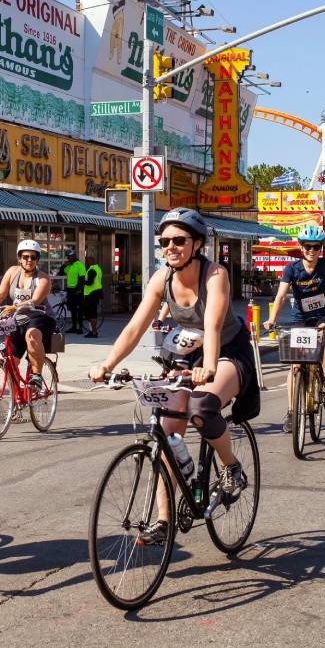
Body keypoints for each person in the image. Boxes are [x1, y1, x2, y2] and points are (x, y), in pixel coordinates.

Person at [90, 208, 257, 545]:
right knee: (166, 436)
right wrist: (107, 364)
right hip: (187, 354)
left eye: (179, 240)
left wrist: (209, 368)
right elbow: (135, 327)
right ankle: (164, 522)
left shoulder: (215, 274)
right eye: (164, 241)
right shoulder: (162, 278)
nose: (170, 247)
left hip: (227, 351)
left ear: (197, 244)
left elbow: (212, 325)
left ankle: (231, 467)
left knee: (202, 407)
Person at [263, 224, 325, 396]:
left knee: (324, 336)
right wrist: (272, 319)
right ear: (301, 247)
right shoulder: (292, 269)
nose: (312, 250)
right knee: (295, 366)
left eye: (316, 247)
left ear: (321, 248)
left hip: (323, 315)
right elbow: (280, 296)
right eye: (308, 246)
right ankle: (291, 409)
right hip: (300, 317)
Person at [0, 239, 56, 391]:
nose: (29, 260)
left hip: (40, 317)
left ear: (37, 259)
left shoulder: (43, 278)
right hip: (18, 319)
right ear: (19, 258)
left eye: (33, 257)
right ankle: (17, 399)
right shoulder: (12, 272)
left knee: (32, 334)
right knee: (10, 360)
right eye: (25, 257)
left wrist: (14, 306)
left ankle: (36, 376)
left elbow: (35, 300)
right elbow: (1, 294)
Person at [61, 249, 87, 334]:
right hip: (70, 291)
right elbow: (61, 273)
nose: (68, 259)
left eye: (70, 257)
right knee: (72, 309)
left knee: (79, 310)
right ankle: (74, 327)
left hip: (77, 291)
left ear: (74, 256)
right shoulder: (69, 266)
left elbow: (82, 278)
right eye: (68, 257)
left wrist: (79, 289)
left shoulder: (80, 265)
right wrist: (64, 265)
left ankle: (80, 328)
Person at [82, 254, 103, 338]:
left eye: (88, 261)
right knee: (92, 313)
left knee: (91, 314)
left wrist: (82, 281)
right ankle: (92, 331)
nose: (87, 262)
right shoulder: (98, 268)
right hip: (96, 292)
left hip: (91, 293)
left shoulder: (92, 270)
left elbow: (89, 283)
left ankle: (93, 332)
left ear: (91, 261)